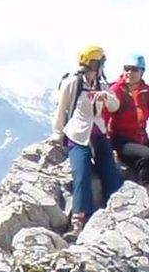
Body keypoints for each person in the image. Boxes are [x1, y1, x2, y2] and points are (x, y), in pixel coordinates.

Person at [53, 45, 124, 233]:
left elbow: (115, 105)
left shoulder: (101, 85)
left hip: (98, 135)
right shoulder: (73, 83)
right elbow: (62, 109)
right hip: (77, 135)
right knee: (81, 173)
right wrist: (56, 134)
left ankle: (116, 211)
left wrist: (106, 97)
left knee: (110, 171)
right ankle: (80, 219)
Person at [108, 54, 149, 187]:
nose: (129, 72)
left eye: (134, 69)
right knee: (148, 157)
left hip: (140, 139)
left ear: (142, 72)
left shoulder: (148, 91)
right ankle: (143, 191)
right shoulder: (116, 90)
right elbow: (105, 116)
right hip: (120, 139)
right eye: (127, 69)